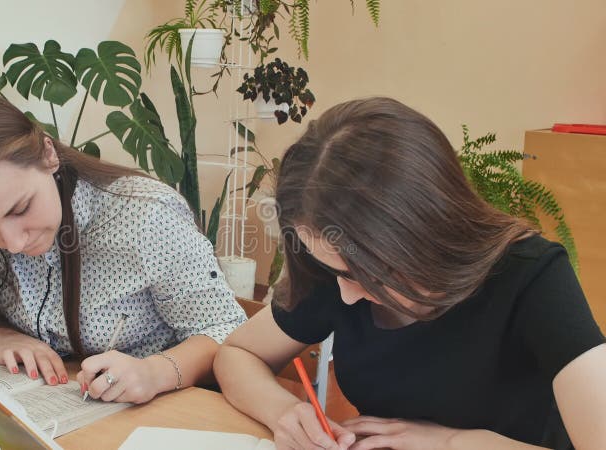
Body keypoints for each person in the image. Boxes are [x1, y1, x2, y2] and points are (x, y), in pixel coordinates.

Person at [214, 97, 606, 450]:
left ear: (422, 237)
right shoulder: (336, 267)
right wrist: (285, 412)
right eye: (334, 271)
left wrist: (454, 442)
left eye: (362, 276)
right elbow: (237, 354)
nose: (345, 295)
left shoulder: (531, 276)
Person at [0, 92, 246, 404]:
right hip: (53, 405)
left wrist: (154, 372)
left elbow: (225, 329)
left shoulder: (146, 215)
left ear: (48, 155)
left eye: (20, 209)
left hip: (158, 411)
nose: (14, 243)